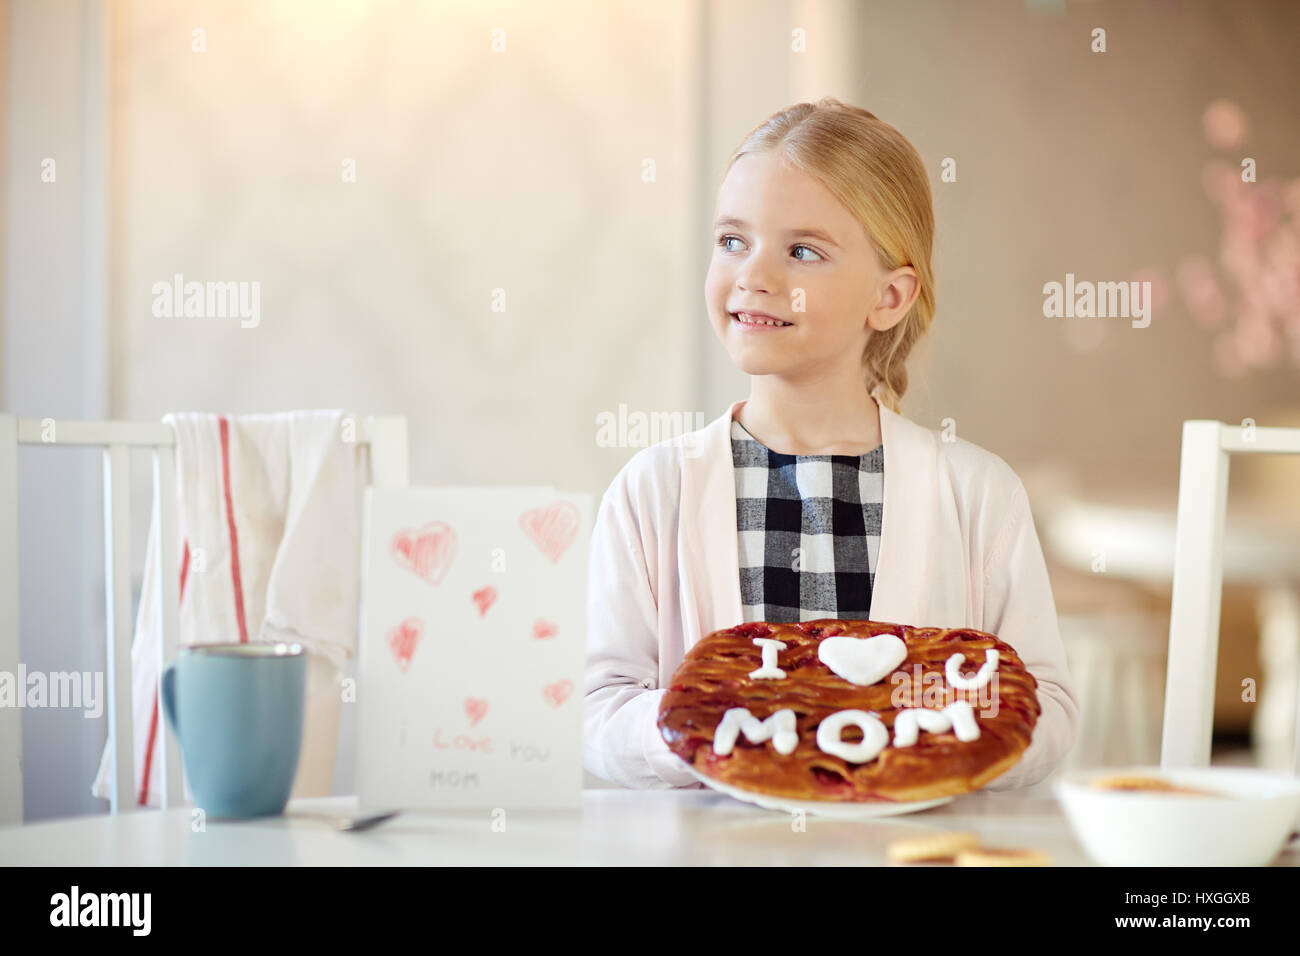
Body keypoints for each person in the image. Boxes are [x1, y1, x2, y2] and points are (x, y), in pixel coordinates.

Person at [584, 97, 1078, 792]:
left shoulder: (978, 494)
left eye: (803, 251)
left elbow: (1047, 708)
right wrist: (717, 734)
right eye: (733, 241)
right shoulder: (652, 491)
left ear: (890, 296)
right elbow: (598, 710)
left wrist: (920, 749)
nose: (755, 274)